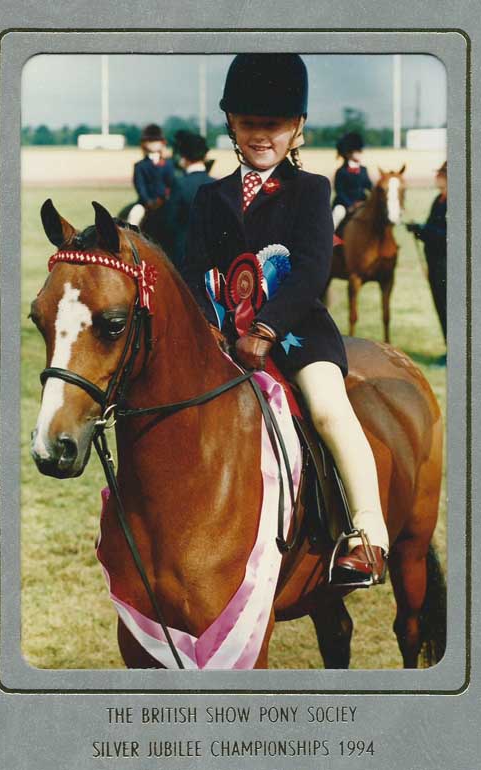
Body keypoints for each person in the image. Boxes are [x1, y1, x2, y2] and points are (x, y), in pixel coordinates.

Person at [182, 54, 388, 584]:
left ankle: (368, 535)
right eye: (249, 123)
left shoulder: (311, 190)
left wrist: (267, 328)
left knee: (327, 411)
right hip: (224, 339)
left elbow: (313, 269)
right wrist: (208, 322)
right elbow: (196, 268)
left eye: (273, 125)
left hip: (294, 334)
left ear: (296, 128)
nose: (260, 135)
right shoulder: (210, 197)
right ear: (231, 124)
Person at [406, 161, 447, 349]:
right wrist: (418, 230)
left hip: (446, 263)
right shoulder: (438, 200)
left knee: (448, 307)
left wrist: (423, 229)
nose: (437, 177)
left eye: (441, 174)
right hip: (435, 262)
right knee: (440, 306)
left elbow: (447, 235)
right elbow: (432, 230)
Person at [164, 131, 214, 269]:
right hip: (213, 254)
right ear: (204, 156)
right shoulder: (216, 184)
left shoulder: (180, 184)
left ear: (183, 157)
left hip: (183, 252)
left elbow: (170, 221)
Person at [127, 124, 175, 250]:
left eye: (156, 141)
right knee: (133, 216)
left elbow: (172, 184)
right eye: (150, 141)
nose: (153, 144)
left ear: (162, 143)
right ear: (144, 143)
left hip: (166, 202)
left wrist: (164, 198)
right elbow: (140, 186)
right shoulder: (139, 166)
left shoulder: (169, 164)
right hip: (145, 203)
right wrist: (148, 202)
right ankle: (131, 244)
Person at [332, 131, 373, 232]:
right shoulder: (341, 171)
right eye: (357, 151)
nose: (360, 153)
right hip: (345, 205)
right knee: (338, 213)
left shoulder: (364, 169)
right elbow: (340, 191)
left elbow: (369, 185)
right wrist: (351, 205)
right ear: (348, 153)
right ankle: (327, 237)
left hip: (362, 202)